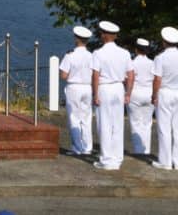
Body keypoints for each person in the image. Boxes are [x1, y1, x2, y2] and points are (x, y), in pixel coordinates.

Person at [90, 20, 134, 170]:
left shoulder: (98, 53)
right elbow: (131, 75)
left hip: (105, 88)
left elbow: (96, 75)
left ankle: (106, 159)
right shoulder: (124, 53)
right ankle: (117, 158)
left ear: (103, 35)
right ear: (115, 36)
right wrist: (128, 93)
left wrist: (95, 94)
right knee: (117, 124)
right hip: (119, 88)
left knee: (104, 124)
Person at [151, 26, 178, 170]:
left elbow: (157, 79)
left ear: (164, 42)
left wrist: (154, 95)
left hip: (165, 92)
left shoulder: (160, 58)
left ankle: (165, 161)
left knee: (164, 128)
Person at [59, 25, 94, 155]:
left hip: (74, 87)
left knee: (74, 118)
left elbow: (63, 75)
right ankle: (87, 147)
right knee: (86, 118)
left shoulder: (70, 55)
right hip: (87, 87)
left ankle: (77, 147)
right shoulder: (91, 56)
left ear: (76, 39)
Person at [127, 37, 155, 155]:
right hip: (149, 93)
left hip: (135, 93)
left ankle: (138, 150)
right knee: (147, 123)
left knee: (136, 123)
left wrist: (127, 93)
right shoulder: (153, 63)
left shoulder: (132, 63)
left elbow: (128, 79)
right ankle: (146, 150)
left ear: (136, 49)